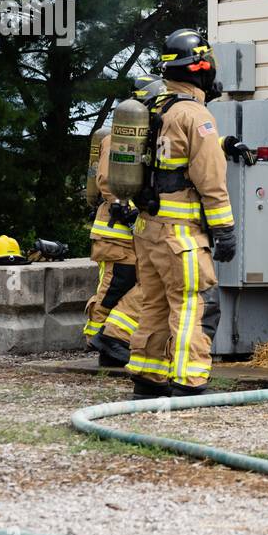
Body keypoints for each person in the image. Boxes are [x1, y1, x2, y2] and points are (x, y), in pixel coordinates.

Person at [126, 29, 249, 398]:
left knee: (155, 304)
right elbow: (210, 180)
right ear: (199, 67)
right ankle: (189, 382)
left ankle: (148, 378)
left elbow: (170, 162)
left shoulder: (156, 108)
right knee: (193, 305)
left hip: (147, 229)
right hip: (181, 235)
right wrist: (224, 229)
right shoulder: (196, 115)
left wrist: (222, 144)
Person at [82, 75, 163, 367]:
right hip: (115, 230)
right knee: (116, 286)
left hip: (131, 230)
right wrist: (121, 205)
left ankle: (109, 343)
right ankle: (102, 340)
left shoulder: (146, 135)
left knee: (130, 285)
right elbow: (106, 179)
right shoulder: (117, 136)